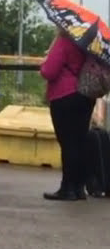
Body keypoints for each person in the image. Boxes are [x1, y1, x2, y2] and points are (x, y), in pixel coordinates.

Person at [38, 31, 95, 200]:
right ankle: (79, 188)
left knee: (68, 143)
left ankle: (67, 188)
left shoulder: (63, 42)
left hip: (64, 96)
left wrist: (43, 64)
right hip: (85, 95)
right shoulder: (87, 45)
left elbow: (49, 71)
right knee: (79, 141)